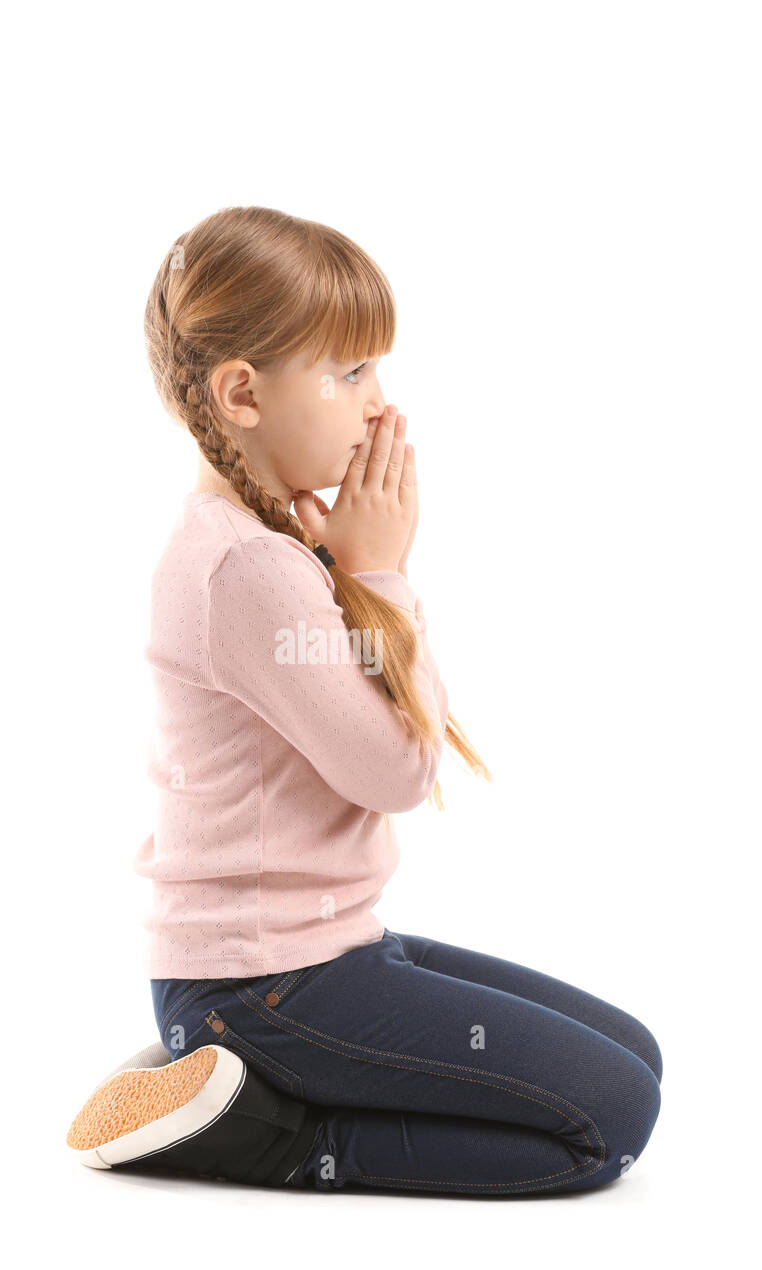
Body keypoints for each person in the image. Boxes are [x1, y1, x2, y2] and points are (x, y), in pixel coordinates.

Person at [66, 206, 663, 1195]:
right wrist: (382, 572)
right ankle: (265, 1132)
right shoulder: (248, 566)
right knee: (611, 1117)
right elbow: (395, 773)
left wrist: (358, 563)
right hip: (258, 986)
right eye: (347, 373)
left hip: (321, 953)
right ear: (242, 393)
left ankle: (224, 1085)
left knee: (634, 1054)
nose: (378, 404)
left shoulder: (276, 536)